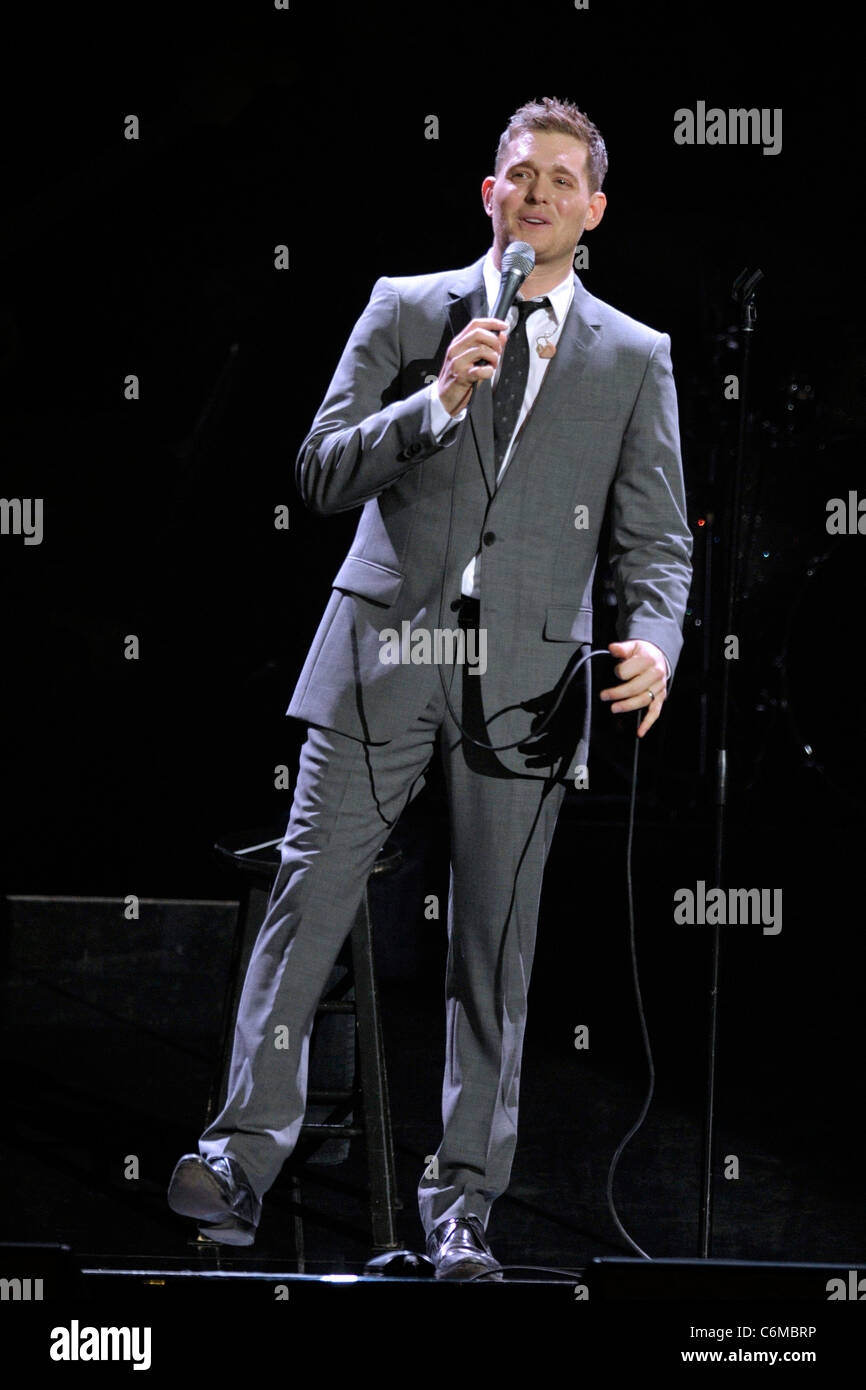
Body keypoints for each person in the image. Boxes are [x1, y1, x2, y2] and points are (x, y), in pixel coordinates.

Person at [168, 96, 693, 1281]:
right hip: (379, 661)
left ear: (593, 208)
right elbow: (317, 468)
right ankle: (242, 1154)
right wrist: (434, 403)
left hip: (524, 690)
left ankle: (462, 1211)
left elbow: (655, 544)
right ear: (488, 194)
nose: (539, 193)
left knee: (491, 956)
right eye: (521, 175)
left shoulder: (632, 354)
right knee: (309, 900)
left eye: (563, 178)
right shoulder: (409, 309)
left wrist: (654, 636)